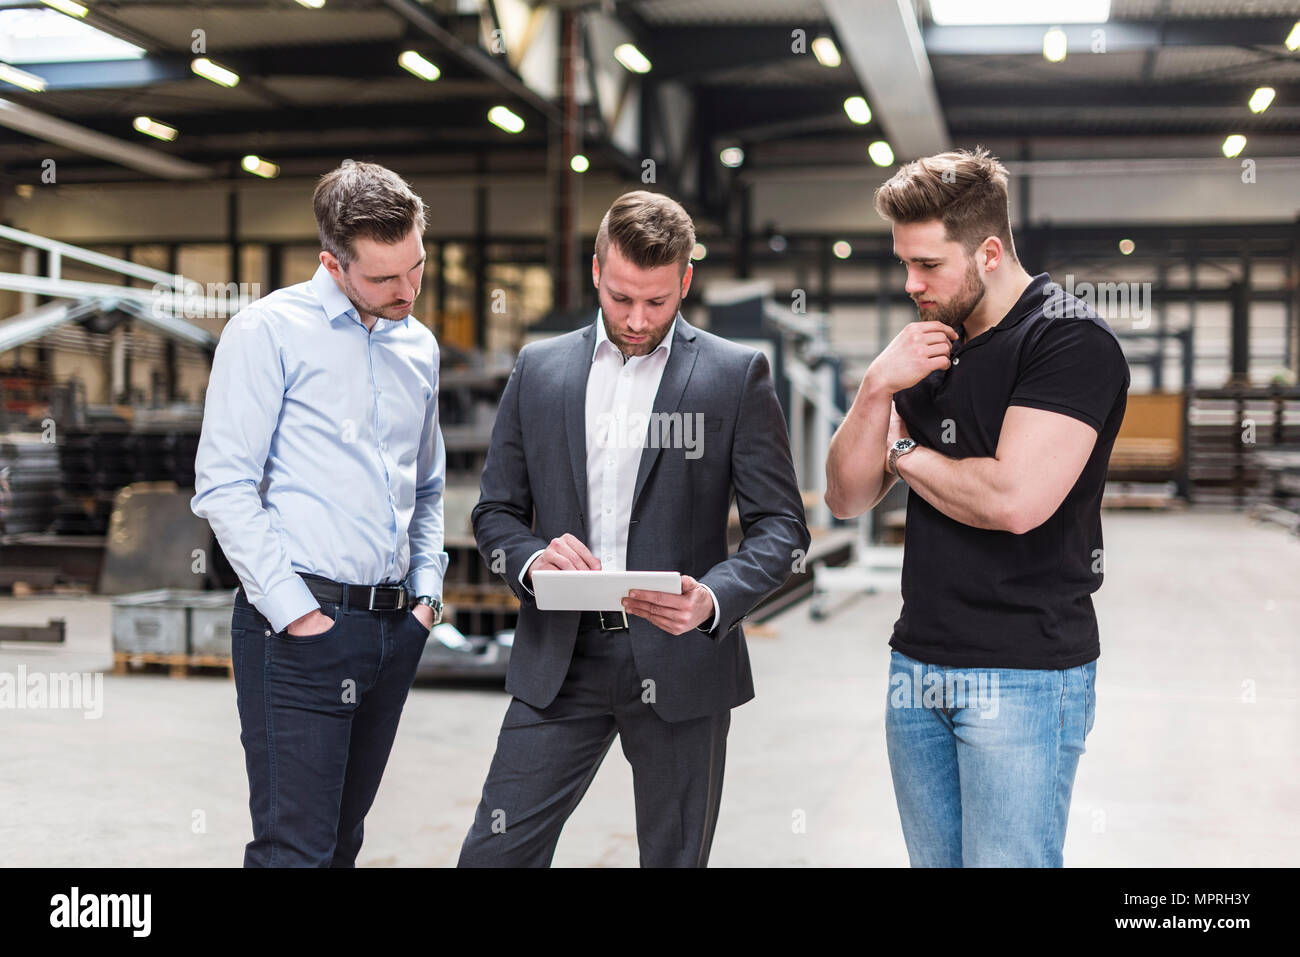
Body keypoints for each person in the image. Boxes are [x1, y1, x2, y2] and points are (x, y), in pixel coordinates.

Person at [458, 189, 810, 867]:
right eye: (621, 298)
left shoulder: (733, 376)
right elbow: (495, 511)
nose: (638, 319)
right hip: (561, 661)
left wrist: (712, 599)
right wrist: (532, 561)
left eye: (657, 301)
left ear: (685, 280)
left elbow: (781, 527)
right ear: (596, 271)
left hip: (683, 660)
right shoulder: (540, 370)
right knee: (493, 854)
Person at [825, 147, 1129, 867]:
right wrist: (874, 388)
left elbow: (1014, 499)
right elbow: (843, 496)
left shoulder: (1067, 339)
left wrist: (904, 454)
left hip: (1024, 671)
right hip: (917, 662)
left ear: (989, 251)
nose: (911, 283)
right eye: (904, 263)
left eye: (928, 265)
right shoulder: (929, 346)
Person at [191, 161, 448, 867]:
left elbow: (426, 485)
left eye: (417, 268)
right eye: (384, 278)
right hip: (299, 636)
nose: (407, 291)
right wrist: (296, 613)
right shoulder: (267, 332)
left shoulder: (418, 346)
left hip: (394, 629)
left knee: (341, 843)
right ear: (332, 264)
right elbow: (224, 485)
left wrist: (426, 591)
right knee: (293, 850)